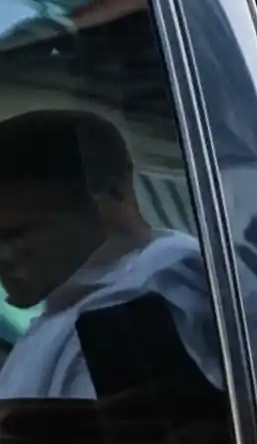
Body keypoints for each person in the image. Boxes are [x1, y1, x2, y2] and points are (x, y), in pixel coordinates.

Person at [0, 108, 219, 400]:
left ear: (113, 192)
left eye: (16, 234)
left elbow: (113, 440)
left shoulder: (149, 298)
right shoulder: (75, 309)